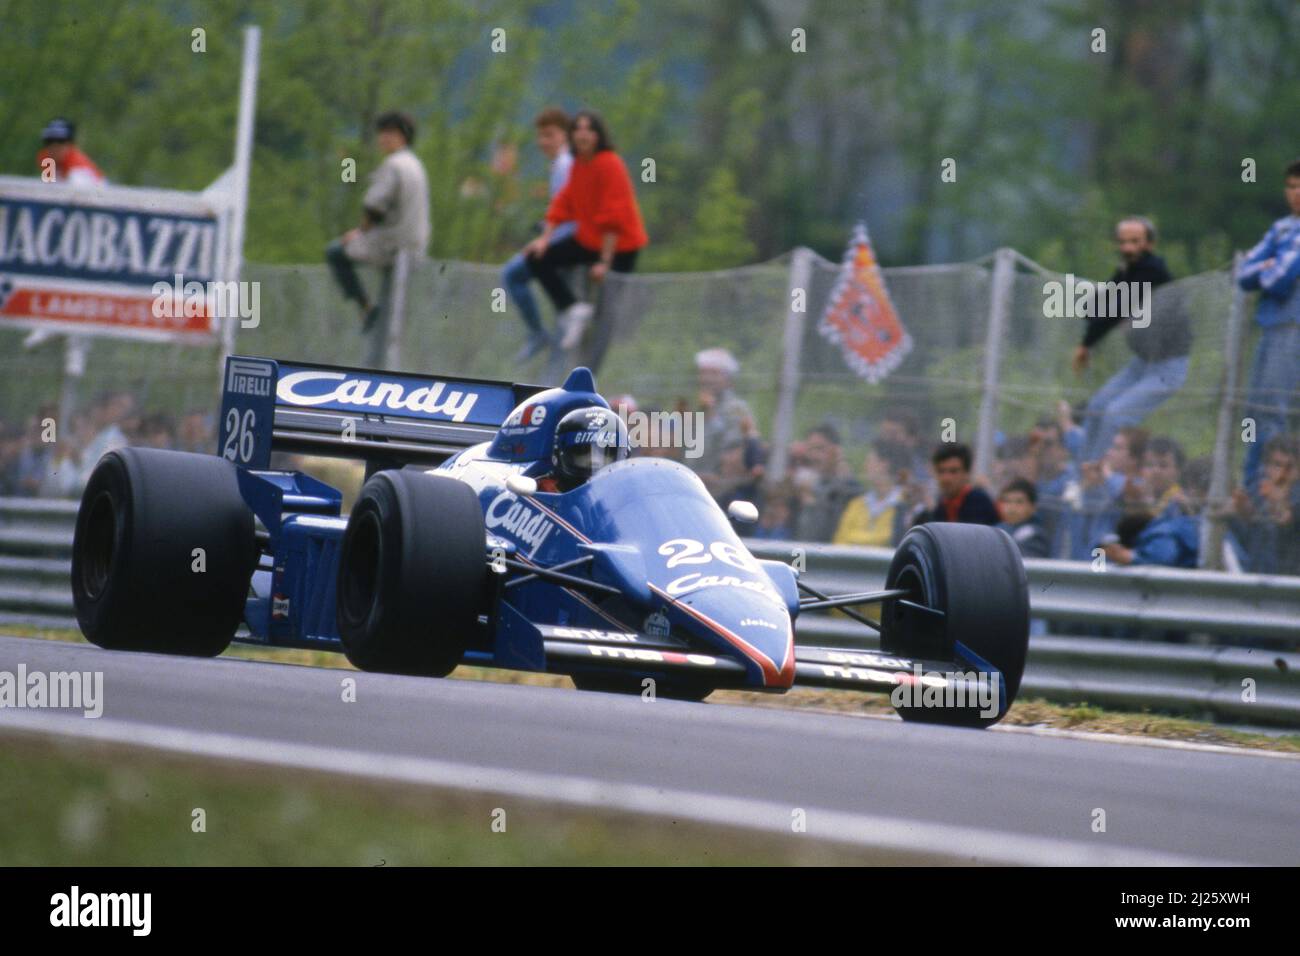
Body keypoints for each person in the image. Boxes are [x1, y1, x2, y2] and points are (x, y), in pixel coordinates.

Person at [524, 110, 648, 351]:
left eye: (589, 129)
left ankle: (594, 358)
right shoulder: (578, 164)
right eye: (578, 128)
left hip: (619, 246)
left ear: (598, 135)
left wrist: (604, 262)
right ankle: (573, 308)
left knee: (606, 308)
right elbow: (564, 202)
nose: (583, 134)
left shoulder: (610, 163)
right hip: (590, 240)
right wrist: (545, 239)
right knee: (537, 259)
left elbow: (614, 215)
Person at [1072, 217, 1183, 462]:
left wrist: (1087, 344)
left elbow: (1117, 309)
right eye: (1123, 242)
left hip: (1167, 367)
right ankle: (1082, 472)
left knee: (1116, 414)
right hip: (1142, 362)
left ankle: (1099, 475)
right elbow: (1106, 301)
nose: (1128, 248)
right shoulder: (1129, 269)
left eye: (1135, 242)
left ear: (1150, 244)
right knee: (1097, 406)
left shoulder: (1151, 270)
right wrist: (1088, 319)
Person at [325, 111, 430, 344]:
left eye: (390, 133)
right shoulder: (416, 165)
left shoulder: (394, 165)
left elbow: (374, 207)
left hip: (391, 244)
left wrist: (359, 232)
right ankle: (377, 319)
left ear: (403, 136)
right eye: (382, 133)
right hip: (414, 246)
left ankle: (365, 306)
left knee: (335, 252)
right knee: (392, 310)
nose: (383, 139)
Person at [1236, 159, 1300, 491]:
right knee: (1253, 412)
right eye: (1291, 186)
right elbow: (1244, 274)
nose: (1296, 193)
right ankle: (1251, 484)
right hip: (1271, 329)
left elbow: (1280, 279)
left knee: (1273, 411)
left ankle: (1271, 487)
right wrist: (1266, 266)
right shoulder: (1282, 228)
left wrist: (1266, 266)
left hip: (1292, 331)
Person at [503, 108, 577, 361]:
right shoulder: (559, 164)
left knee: (512, 274)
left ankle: (538, 334)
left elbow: (573, 213)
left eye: (550, 135)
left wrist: (546, 239)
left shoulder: (566, 165)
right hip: (562, 238)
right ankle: (547, 337)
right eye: (540, 136)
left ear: (565, 135)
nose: (543, 141)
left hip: (567, 242)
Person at [690, 347, 755, 485]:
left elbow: (731, 445)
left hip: (721, 483)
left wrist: (711, 416)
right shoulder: (695, 406)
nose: (706, 379)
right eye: (703, 373)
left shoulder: (737, 409)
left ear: (728, 379)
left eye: (713, 373)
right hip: (693, 479)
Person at [832, 440, 910, 547]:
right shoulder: (856, 504)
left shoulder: (903, 505)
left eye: (870, 461)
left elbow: (888, 539)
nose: (865, 466)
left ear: (884, 464)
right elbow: (839, 541)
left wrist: (854, 541)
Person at [792, 424, 862, 542]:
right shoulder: (804, 487)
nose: (813, 456)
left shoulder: (850, 490)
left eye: (820, 449)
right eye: (810, 449)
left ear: (836, 451)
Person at [537, 406, 629, 493]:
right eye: (582, 452)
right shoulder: (541, 492)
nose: (594, 461)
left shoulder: (632, 491)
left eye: (606, 454)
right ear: (558, 456)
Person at [916, 443, 1000, 526]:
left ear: (967, 473)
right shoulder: (938, 509)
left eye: (953, 471)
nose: (946, 478)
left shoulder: (980, 503)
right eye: (941, 471)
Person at [35, 118, 104, 186]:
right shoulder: (46, 158)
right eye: (50, 141)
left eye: (60, 141)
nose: (54, 146)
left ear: (70, 144)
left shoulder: (78, 170)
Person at [997, 478, 1050, 559]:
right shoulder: (996, 529)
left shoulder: (1034, 535)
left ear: (1032, 507)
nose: (1011, 508)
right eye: (1007, 501)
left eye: (1019, 502)